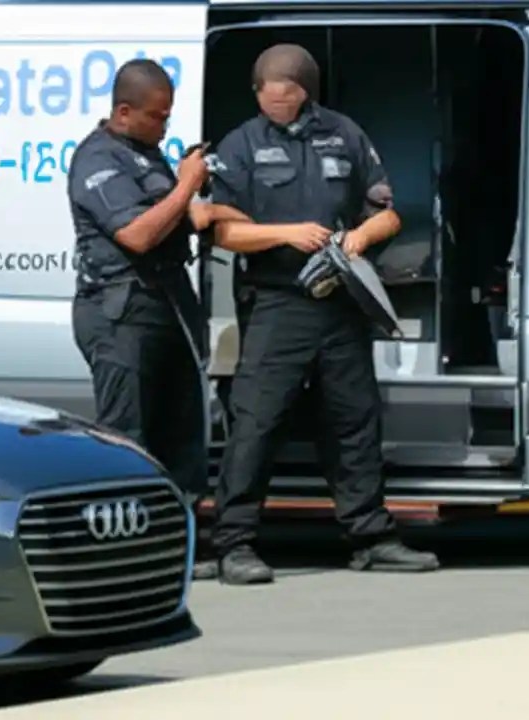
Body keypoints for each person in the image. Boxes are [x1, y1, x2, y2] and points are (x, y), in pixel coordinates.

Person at [205, 44, 441, 585]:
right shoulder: (241, 145)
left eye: (286, 98)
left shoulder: (345, 134)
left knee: (354, 419)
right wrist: (288, 233)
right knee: (256, 423)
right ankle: (234, 544)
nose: (276, 107)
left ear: (304, 91)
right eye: (267, 99)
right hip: (276, 303)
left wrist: (356, 239)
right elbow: (225, 232)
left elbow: (388, 214)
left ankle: (370, 536)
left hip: (341, 301)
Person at [65, 59, 246, 580]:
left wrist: (225, 212)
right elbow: (138, 235)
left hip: (166, 304)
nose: (165, 126)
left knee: (180, 428)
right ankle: (121, 556)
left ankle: (177, 546)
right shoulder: (96, 160)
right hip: (121, 310)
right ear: (124, 111)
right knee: (127, 436)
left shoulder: (147, 155)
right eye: (157, 117)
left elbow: (179, 216)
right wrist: (187, 185)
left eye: (167, 117)